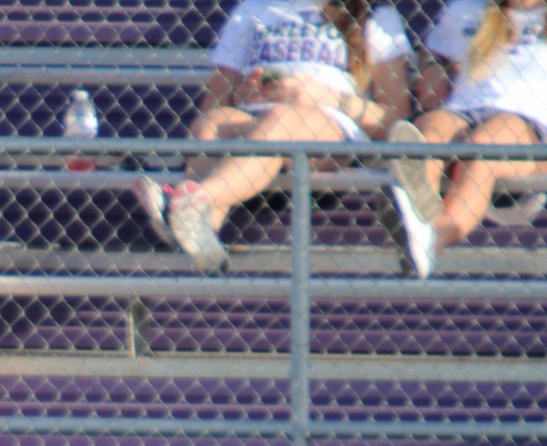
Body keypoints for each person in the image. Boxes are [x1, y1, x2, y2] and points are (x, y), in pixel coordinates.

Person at [132, 0, 413, 274]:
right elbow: (215, 101)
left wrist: (319, 95)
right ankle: (202, 234)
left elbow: (394, 118)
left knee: (284, 120)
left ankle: (195, 199)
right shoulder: (253, 8)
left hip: (327, 122)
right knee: (212, 122)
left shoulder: (374, 15)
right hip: (256, 117)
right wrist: (245, 92)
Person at [380, 0, 547, 278]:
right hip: (465, 110)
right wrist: (432, 75)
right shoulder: (468, 9)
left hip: (529, 121)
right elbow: (435, 61)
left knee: (485, 143)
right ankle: (414, 220)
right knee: (428, 133)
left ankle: (434, 240)